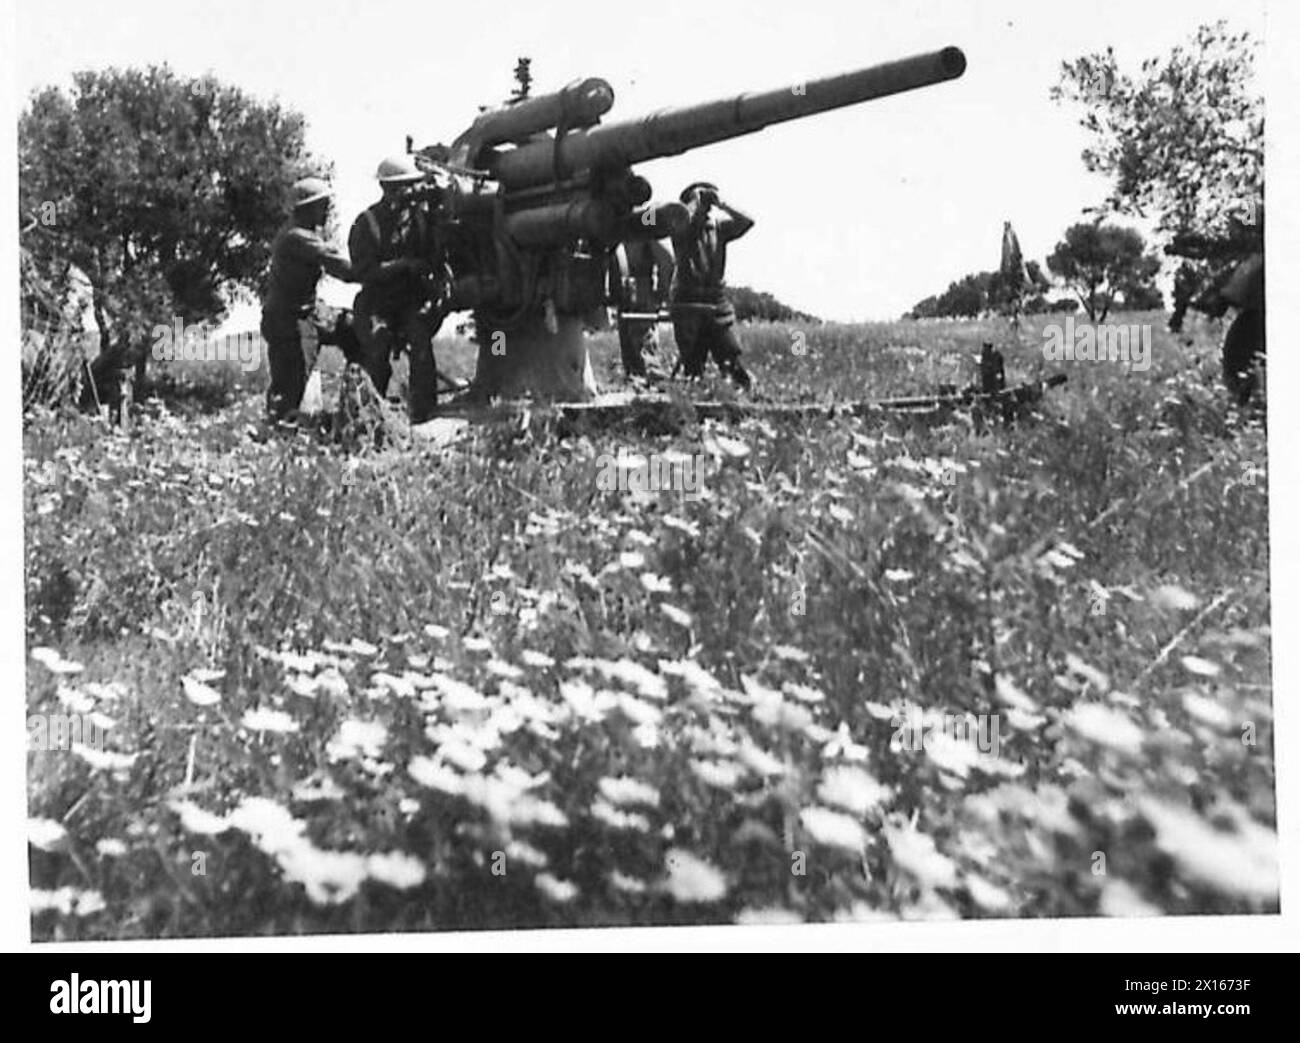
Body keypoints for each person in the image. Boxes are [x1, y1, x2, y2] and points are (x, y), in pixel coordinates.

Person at [348, 155, 448, 424]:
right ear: (386, 189)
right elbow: (364, 272)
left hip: (410, 300)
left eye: (411, 186)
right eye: (403, 187)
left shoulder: (420, 220)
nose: (410, 192)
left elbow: (435, 258)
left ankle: (424, 415)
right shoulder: (366, 223)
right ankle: (367, 417)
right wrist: (403, 265)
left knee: (420, 342)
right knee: (377, 349)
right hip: (376, 302)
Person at [260, 177, 362, 421]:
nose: (327, 210)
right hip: (289, 319)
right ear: (307, 208)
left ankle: (355, 404)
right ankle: (279, 433)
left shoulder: (302, 234)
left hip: (310, 312)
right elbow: (342, 269)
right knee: (290, 387)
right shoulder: (297, 237)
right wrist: (379, 272)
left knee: (353, 329)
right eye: (323, 204)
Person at [669, 181, 754, 390]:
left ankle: (739, 396)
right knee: (693, 364)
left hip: (716, 301)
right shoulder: (679, 227)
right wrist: (693, 203)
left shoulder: (719, 228)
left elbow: (747, 221)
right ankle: (692, 401)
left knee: (731, 357)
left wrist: (722, 203)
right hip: (688, 301)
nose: (705, 206)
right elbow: (654, 220)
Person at [613, 238, 674, 383]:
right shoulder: (622, 219)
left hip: (641, 289)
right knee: (632, 365)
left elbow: (666, 257)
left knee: (646, 358)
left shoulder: (647, 215)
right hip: (624, 291)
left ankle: (654, 394)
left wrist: (662, 290)